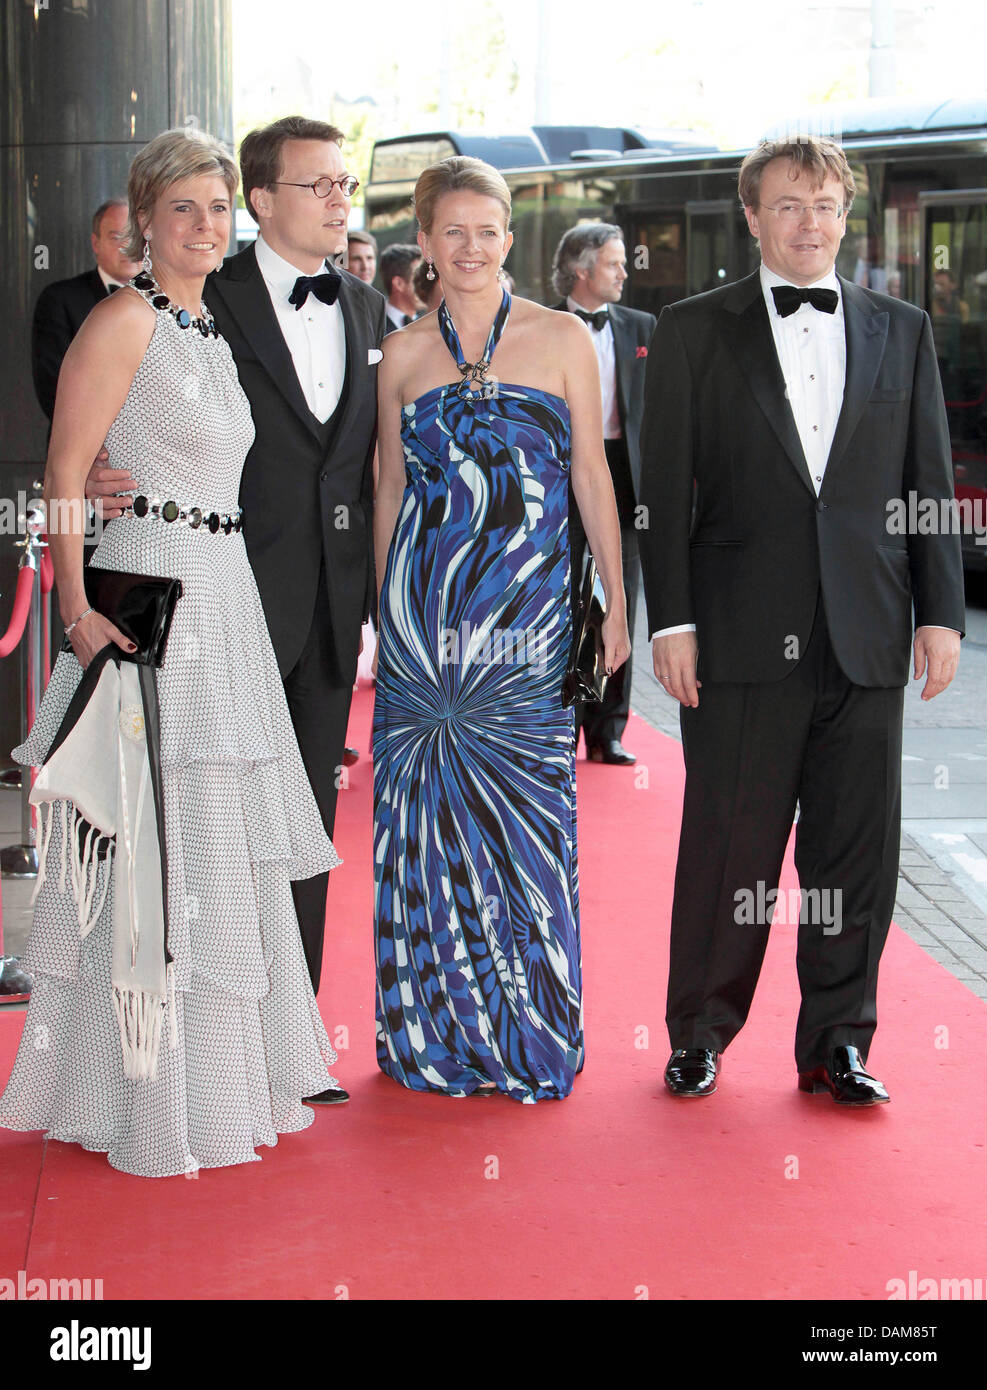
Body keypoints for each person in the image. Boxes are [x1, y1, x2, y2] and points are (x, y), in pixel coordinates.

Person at [0, 128, 343, 1176]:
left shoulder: (206, 328)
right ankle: (146, 1091)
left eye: (215, 207)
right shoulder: (121, 318)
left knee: (211, 839)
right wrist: (69, 606)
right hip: (147, 592)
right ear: (143, 221)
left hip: (223, 595)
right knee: (146, 838)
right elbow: (65, 469)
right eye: (181, 208)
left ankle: (212, 1077)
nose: (202, 225)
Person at [639, 136, 965, 1105]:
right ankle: (700, 1031)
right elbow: (664, 486)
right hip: (738, 633)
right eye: (789, 204)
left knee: (852, 850)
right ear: (752, 215)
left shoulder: (901, 327)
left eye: (825, 204)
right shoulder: (696, 328)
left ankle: (838, 1041)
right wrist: (673, 622)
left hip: (866, 629)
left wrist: (942, 613)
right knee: (730, 845)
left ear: (847, 213)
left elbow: (930, 483)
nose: (810, 222)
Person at [86, 119, 386, 1098]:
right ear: (265, 201)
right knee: (173, 822)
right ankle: (161, 1059)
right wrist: (91, 467)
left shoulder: (370, 309)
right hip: (198, 595)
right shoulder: (193, 292)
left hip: (327, 608)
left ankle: (283, 1052)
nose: (341, 199)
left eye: (347, 183)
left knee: (292, 829)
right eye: (319, 184)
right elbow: (106, 410)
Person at [373, 156, 631, 1101]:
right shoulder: (401, 355)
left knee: (526, 823)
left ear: (510, 237)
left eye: (487, 230)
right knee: (429, 827)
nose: (471, 247)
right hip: (423, 622)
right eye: (452, 232)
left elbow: (593, 479)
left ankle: (527, 1035)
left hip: (525, 623)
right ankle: (432, 1034)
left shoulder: (564, 339)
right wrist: (384, 628)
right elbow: (388, 491)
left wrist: (615, 602)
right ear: (426, 243)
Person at [551, 224, 656, 766]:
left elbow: (658, 416)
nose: (624, 273)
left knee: (619, 599)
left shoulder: (642, 327)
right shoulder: (541, 326)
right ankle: (561, 721)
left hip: (625, 477)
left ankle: (609, 729)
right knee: (565, 605)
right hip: (561, 479)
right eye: (614, 264)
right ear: (581, 268)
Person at [31, 199, 141, 423]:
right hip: (86, 448)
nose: (127, 245)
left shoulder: (169, 302)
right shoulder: (59, 299)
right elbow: (52, 384)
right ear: (96, 243)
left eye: (134, 236)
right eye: (116, 237)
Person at [380, 243, 423, 331]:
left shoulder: (430, 325)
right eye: (420, 278)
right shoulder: (374, 328)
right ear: (399, 283)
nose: (427, 285)